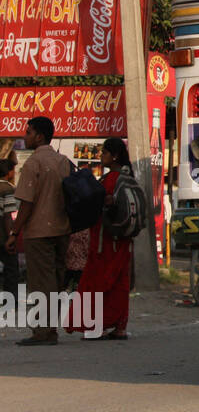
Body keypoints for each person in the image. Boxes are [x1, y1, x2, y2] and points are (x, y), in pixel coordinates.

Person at [9, 117, 73, 345]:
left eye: (28, 132)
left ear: (39, 136)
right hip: (62, 230)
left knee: (39, 284)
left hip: (39, 231)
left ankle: (42, 332)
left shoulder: (33, 163)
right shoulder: (62, 161)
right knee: (55, 281)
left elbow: (26, 204)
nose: (25, 137)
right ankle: (50, 330)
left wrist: (14, 233)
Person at [65, 138, 132, 340]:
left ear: (115, 156)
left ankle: (96, 325)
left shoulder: (110, 180)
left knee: (98, 281)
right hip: (124, 239)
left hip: (105, 240)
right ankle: (119, 327)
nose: (101, 156)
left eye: (104, 153)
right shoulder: (129, 178)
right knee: (120, 281)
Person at [0, 154, 18, 302]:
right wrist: (11, 236)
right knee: (11, 267)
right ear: (9, 172)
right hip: (1, 234)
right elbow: (7, 215)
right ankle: (10, 300)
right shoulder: (7, 188)